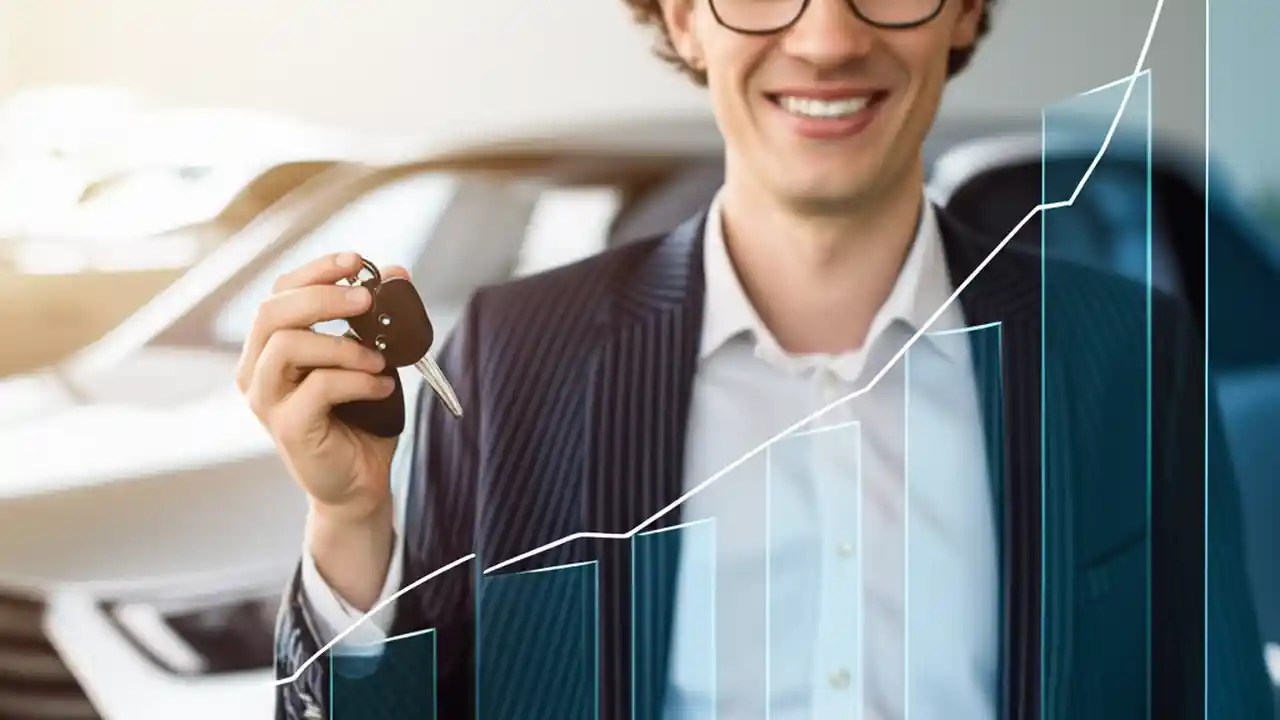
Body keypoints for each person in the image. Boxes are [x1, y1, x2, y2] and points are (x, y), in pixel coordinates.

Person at [239, 0, 1271, 717]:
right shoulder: (517, 359)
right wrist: (352, 525)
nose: (826, 38)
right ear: (682, 15)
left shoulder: (1123, 357)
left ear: (962, 11)